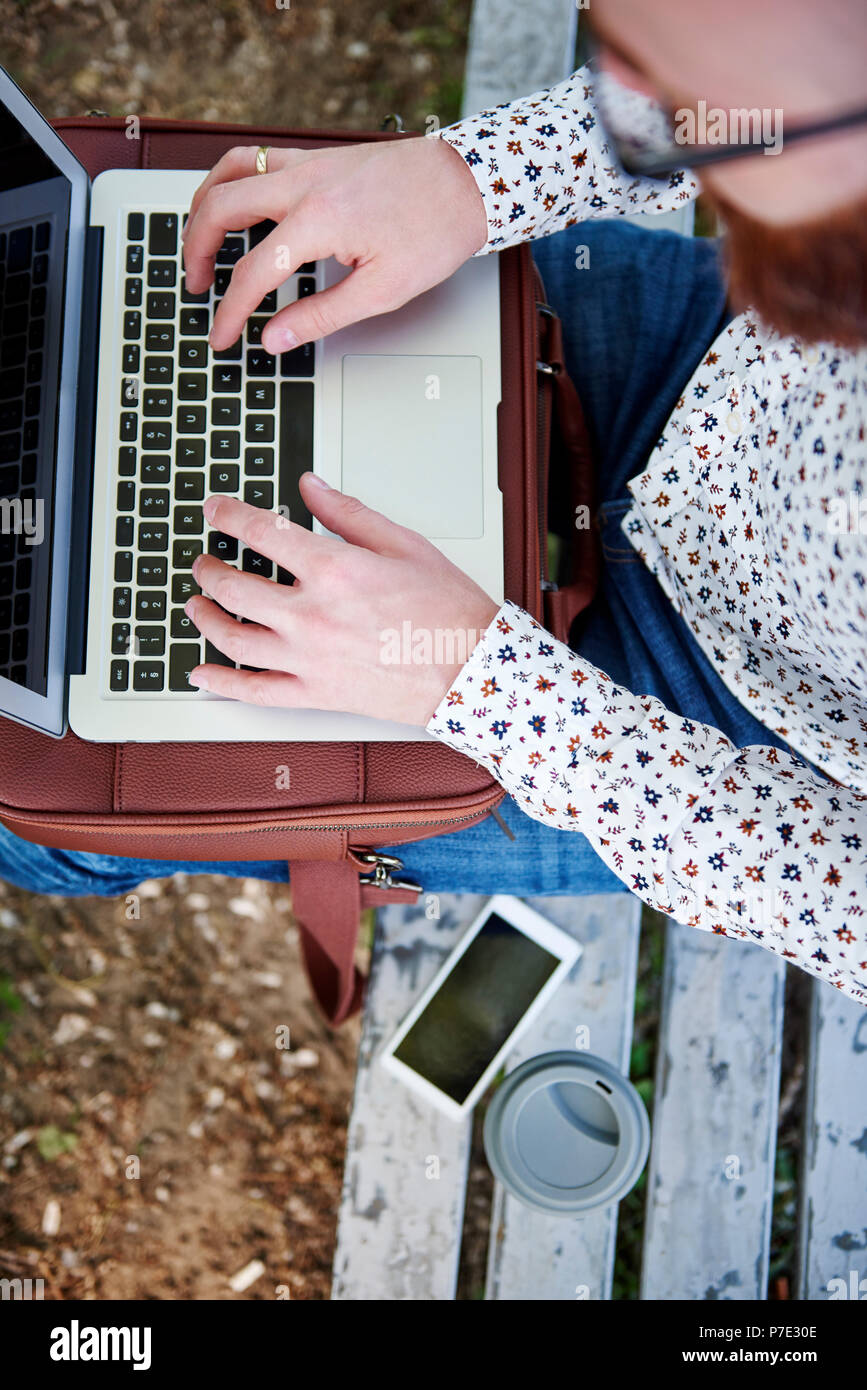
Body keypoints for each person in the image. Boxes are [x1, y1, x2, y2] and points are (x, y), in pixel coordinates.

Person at [3, 0, 866, 1003]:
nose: (634, 110)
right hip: (698, 356)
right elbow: (753, 92)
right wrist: (473, 179)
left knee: (41, 810)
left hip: (687, 735)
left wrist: (473, 681)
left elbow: (835, 896)